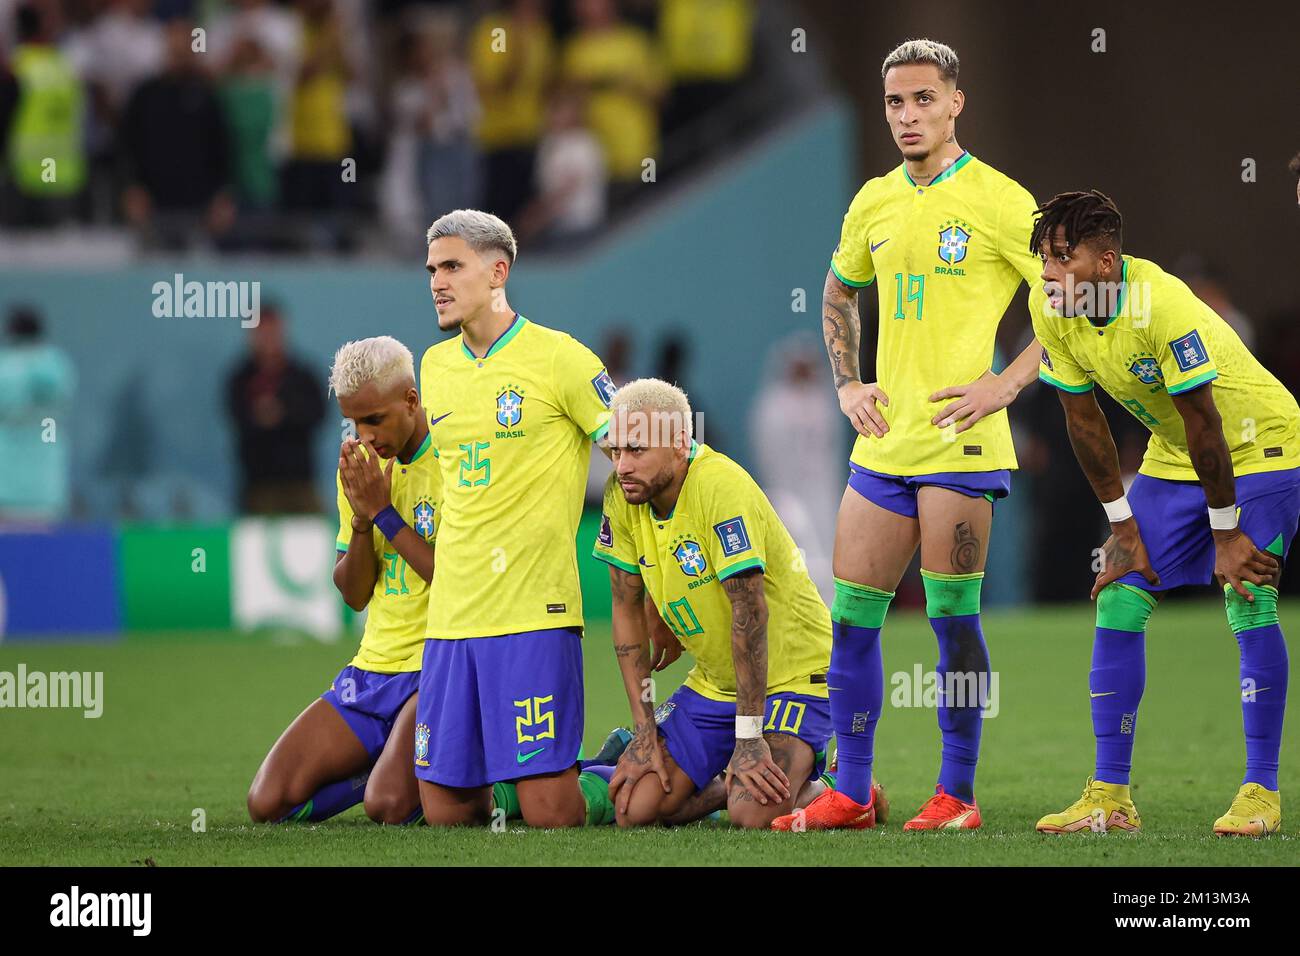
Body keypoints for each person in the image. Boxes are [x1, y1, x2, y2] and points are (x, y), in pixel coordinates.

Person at [806, 38, 1044, 831]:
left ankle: (958, 793)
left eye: (922, 100)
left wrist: (1004, 384)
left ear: (954, 103)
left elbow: (1079, 298)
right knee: (851, 621)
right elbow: (838, 294)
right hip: (883, 444)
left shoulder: (1003, 201)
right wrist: (847, 385)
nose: (907, 116)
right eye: (894, 103)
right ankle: (854, 790)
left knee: (951, 621)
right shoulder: (874, 199)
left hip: (962, 444)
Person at [1026, 190, 1296, 837]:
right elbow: (1082, 420)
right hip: (1176, 453)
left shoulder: (1164, 308)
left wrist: (1226, 537)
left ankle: (1261, 792)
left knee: (1248, 594)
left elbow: (1207, 423)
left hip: (1261, 445)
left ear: (1109, 261)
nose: (1049, 274)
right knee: (1119, 593)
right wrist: (1121, 526)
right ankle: (1110, 799)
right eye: (1043, 260)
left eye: (1064, 258)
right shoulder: (1052, 307)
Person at [593, 378, 884, 829]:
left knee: (753, 812)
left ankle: (845, 788)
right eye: (615, 451)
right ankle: (727, 781)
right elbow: (625, 607)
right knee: (635, 809)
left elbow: (751, 615)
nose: (622, 465)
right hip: (715, 682)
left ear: (678, 444)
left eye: (636, 450)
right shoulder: (622, 492)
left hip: (795, 676)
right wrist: (644, 730)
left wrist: (749, 738)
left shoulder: (720, 488)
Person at [415, 208, 618, 828]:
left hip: (534, 611)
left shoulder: (562, 360)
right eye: (431, 269)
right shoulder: (433, 367)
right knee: (447, 814)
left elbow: (636, 456)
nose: (437, 282)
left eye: (453, 266)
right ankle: (532, 778)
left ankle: (624, 768)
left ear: (498, 271)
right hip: (452, 615)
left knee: (552, 816)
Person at [247, 336, 438, 825]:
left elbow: (450, 576)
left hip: (438, 669)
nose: (365, 435)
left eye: (375, 419)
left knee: (389, 806)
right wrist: (360, 521)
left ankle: (430, 776)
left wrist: (384, 513)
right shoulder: (360, 469)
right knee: (268, 803)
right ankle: (382, 766)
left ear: (411, 401)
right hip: (373, 671)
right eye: (355, 421)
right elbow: (353, 595)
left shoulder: (455, 461)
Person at [225, 304, 327, 514]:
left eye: (272, 331)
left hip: (301, 482)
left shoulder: (302, 376)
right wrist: (260, 418)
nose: (268, 338)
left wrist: (282, 414)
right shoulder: (240, 379)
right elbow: (237, 416)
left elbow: (317, 413)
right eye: (261, 332)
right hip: (258, 486)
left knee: (317, 536)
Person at [0, 306, 76, 521]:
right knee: (40, 545)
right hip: (45, 487)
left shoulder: (6, 366)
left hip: (6, 483)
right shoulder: (55, 364)